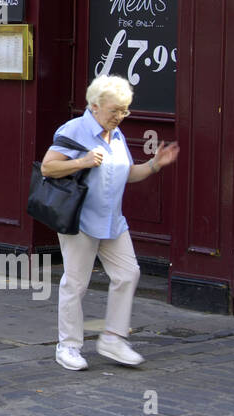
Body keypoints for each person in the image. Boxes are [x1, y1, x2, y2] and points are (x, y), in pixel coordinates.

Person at [41, 74, 180, 371]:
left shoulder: (115, 136)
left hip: (112, 221)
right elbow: (48, 167)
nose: (120, 116)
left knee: (128, 274)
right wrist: (82, 161)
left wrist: (155, 165)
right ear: (95, 105)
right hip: (80, 220)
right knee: (76, 283)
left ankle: (114, 339)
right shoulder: (76, 130)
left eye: (124, 110)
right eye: (114, 110)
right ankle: (68, 346)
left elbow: (126, 174)